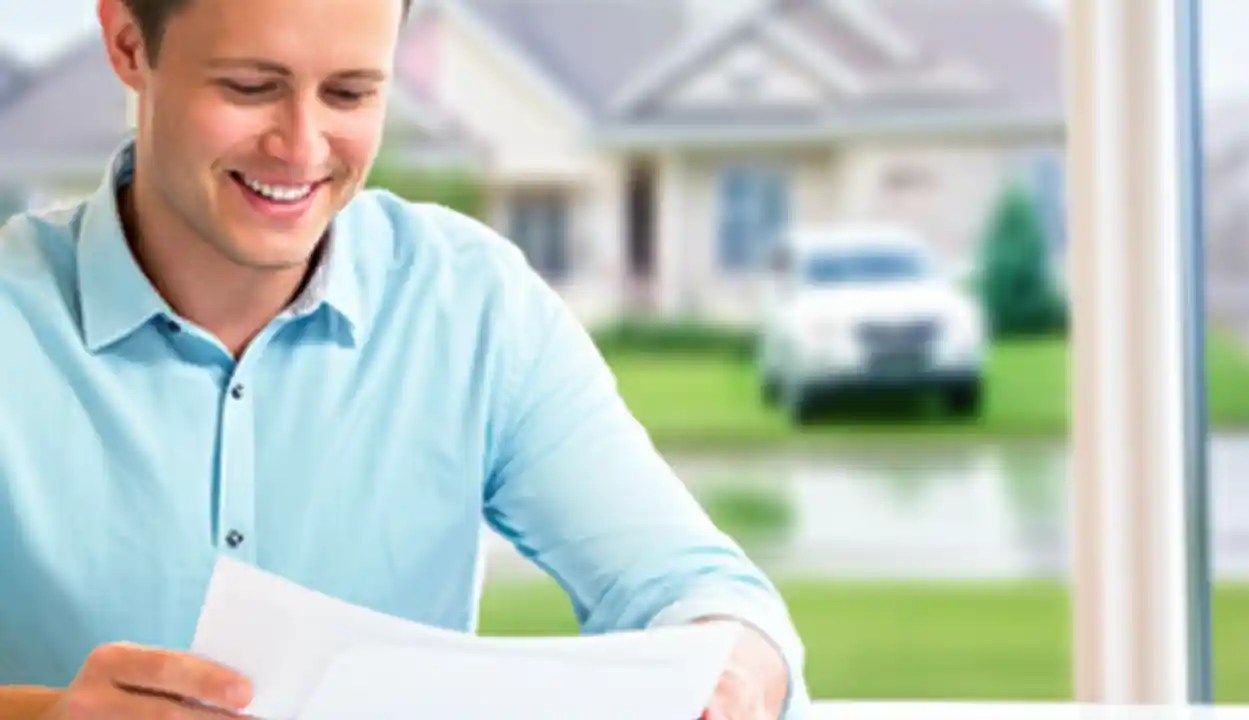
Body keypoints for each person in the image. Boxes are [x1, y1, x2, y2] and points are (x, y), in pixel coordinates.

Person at [0, 0, 808, 718]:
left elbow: (699, 591)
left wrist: (731, 677)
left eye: (350, 94)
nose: (300, 147)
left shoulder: (472, 307)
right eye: (249, 87)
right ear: (128, 44)